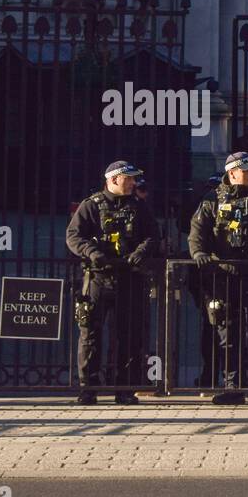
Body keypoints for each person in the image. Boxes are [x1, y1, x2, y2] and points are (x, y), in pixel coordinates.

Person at [188, 152, 248, 405]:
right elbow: (197, 231)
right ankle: (234, 388)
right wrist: (198, 252)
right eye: (246, 170)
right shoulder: (212, 200)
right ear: (232, 173)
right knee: (227, 333)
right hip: (224, 276)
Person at [66, 160, 160, 404]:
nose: (132, 183)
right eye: (128, 179)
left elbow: (153, 235)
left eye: (132, 179)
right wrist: (92, 252)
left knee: (127, 337)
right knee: (90, 335)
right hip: (98, 278)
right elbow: (73, 236)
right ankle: (88, 388)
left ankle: (124, 388)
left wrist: (140, 252)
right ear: (114, 179)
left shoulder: (139, 206)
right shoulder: (91, 206)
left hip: (129, 278)